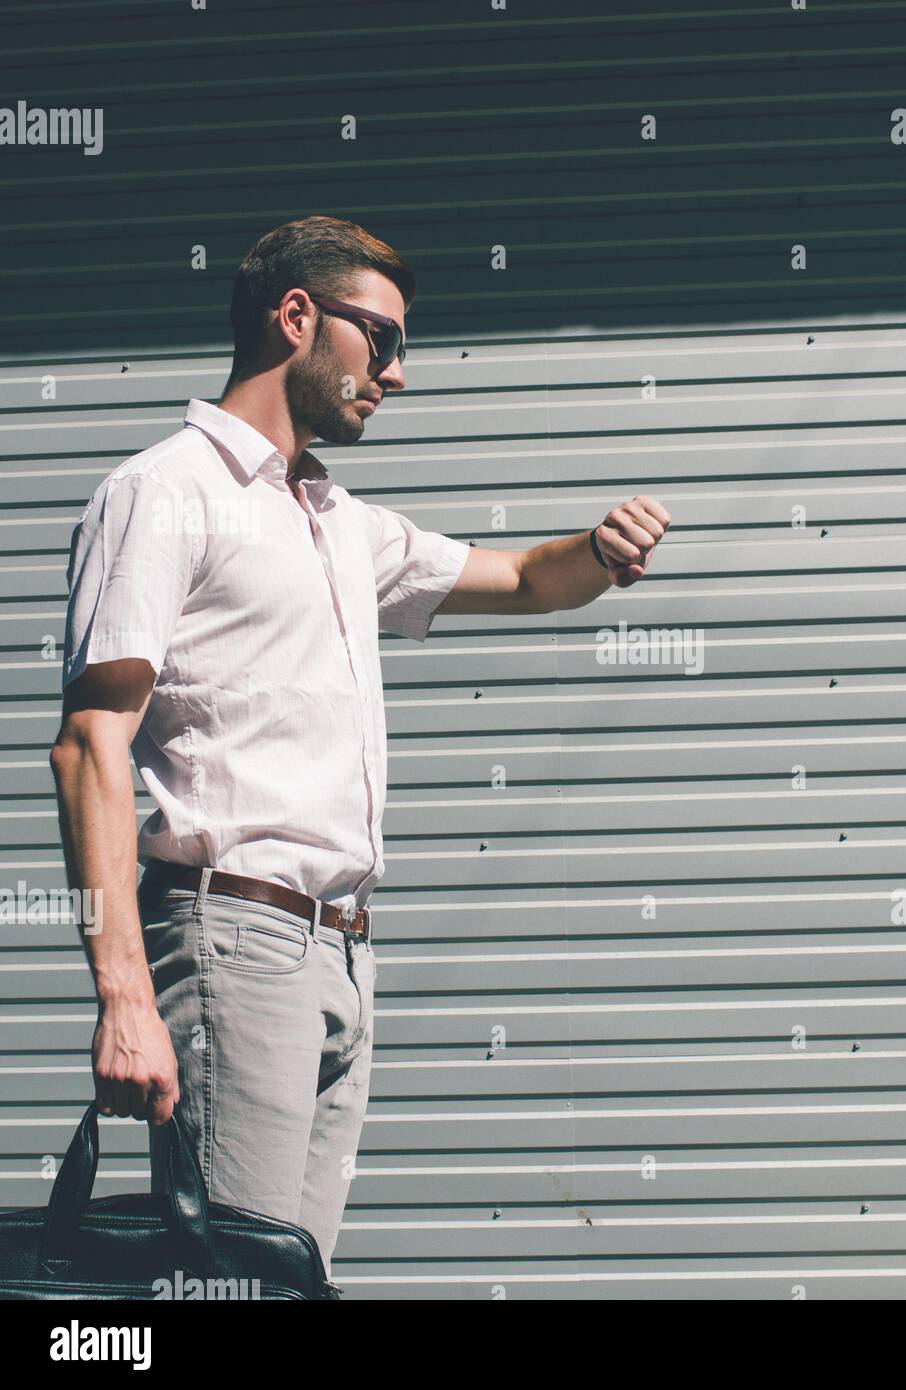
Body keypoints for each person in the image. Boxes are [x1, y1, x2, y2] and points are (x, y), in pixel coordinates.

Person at [48, 214, 670, 1277]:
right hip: (232, 935)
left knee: (288, 1281)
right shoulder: (165, 493)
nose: (397, 372)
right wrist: (124, 1000)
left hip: (340, 952)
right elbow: (90, 742)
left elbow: (524, 579)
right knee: (232, 1284)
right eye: (380, 340)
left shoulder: (342, 524)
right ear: (297, 316)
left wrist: (600, 551)